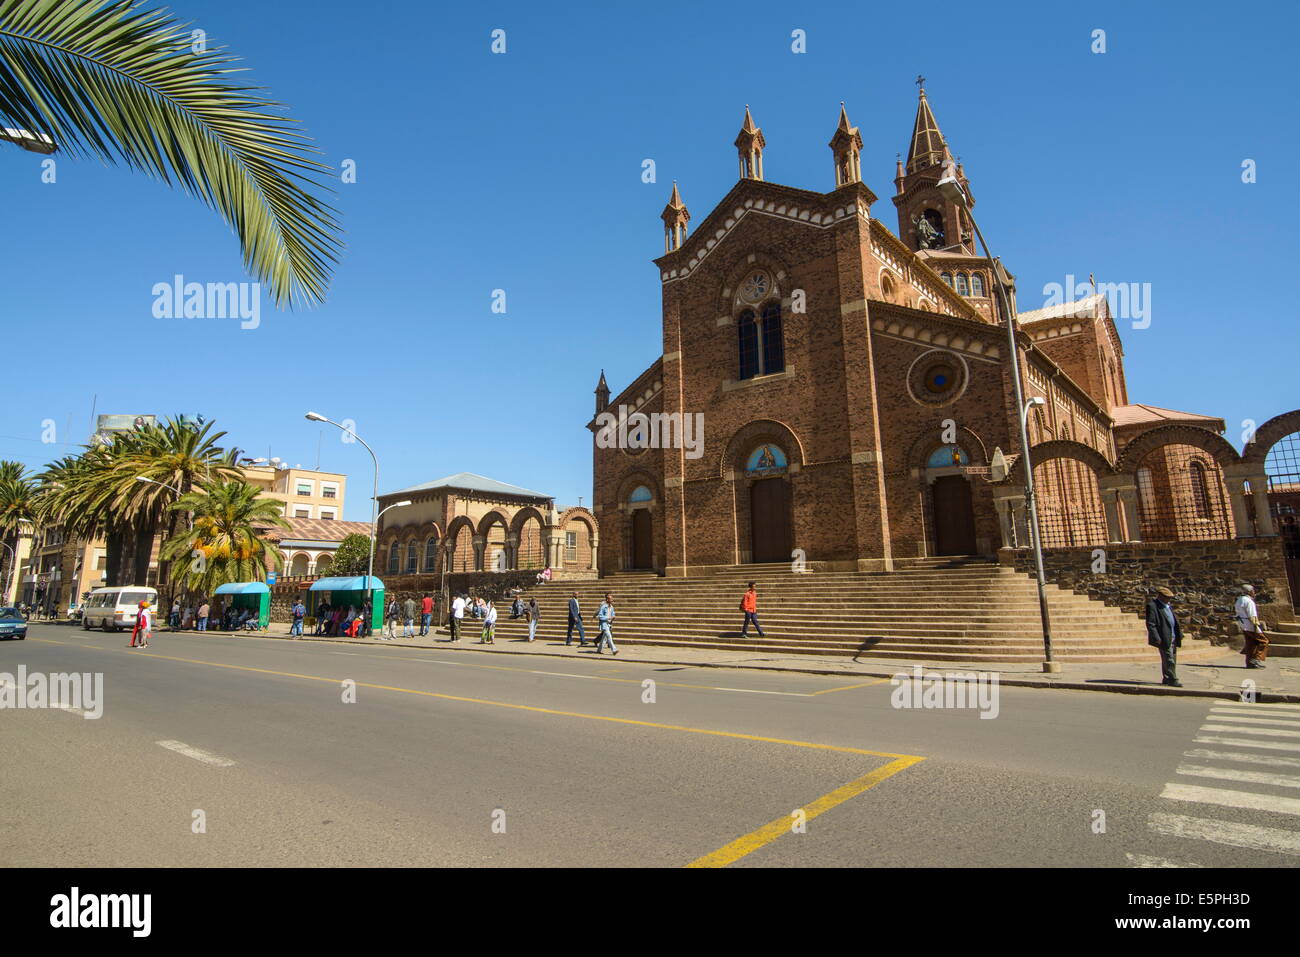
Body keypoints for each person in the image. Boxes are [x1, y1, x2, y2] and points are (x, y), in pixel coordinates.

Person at [1145, 585, 1183, 687]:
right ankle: (1173, 679)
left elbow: (1173, 620)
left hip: (1173, 636)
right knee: (1169, 659)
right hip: (1163, 636)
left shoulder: (1168, 606)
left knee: (1171, 658)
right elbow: (1151, 623)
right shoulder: (1153, 606)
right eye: (1167, 597)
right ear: (1161, 596)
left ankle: (1166, 677)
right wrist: (1156, 637)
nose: (1169, 599)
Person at [1235, 583, 1269, 669]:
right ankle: (1256, 659)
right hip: (1249, 625)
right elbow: (1252, 615)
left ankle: (1250, 663)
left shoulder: (1239, 600)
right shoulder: (1249, 601)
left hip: (1243, 624)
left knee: (1251, 644)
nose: (1254, 592)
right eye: (1253, 591)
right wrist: (1256, 626)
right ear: (1249, 592)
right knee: (1263, 641)